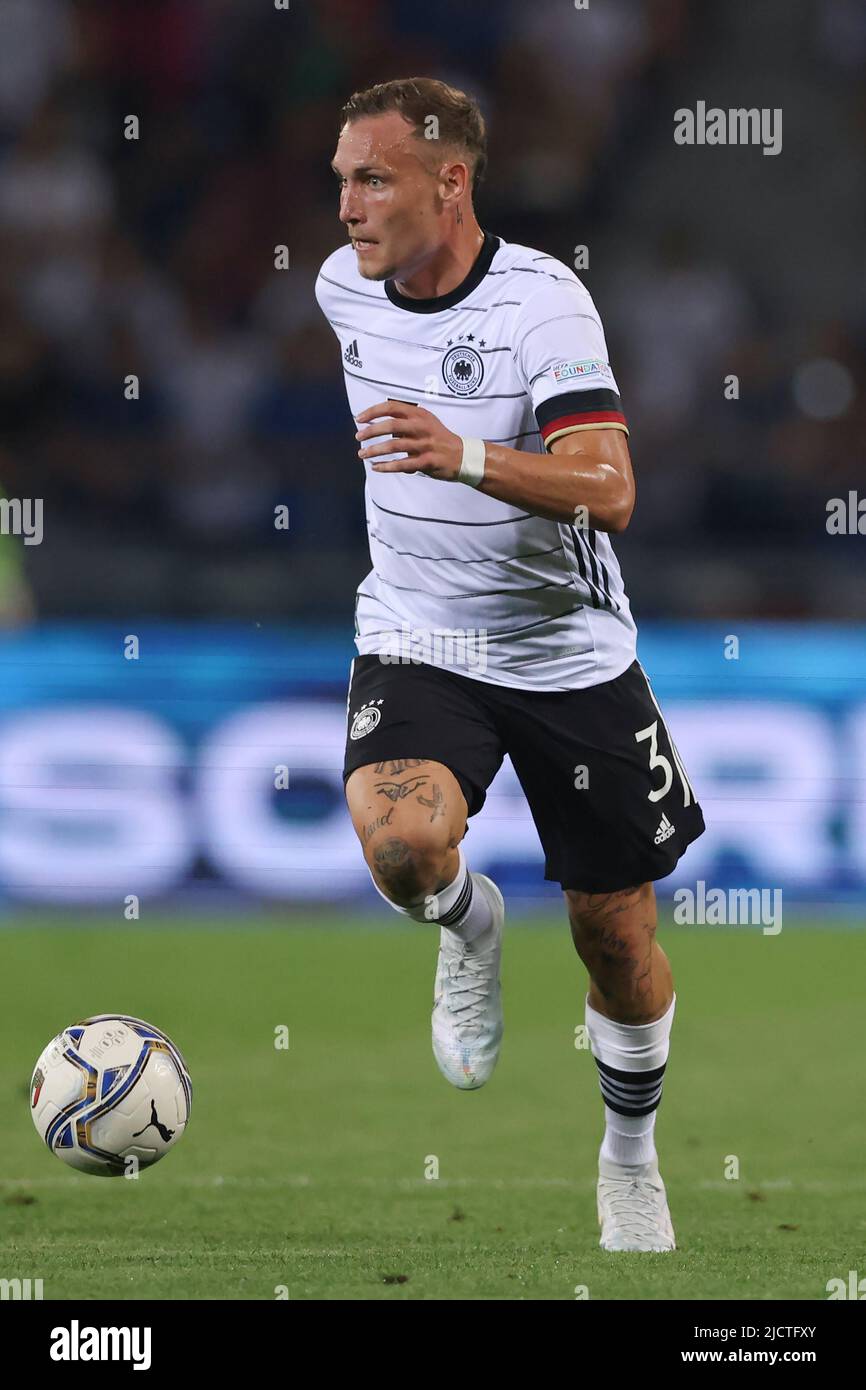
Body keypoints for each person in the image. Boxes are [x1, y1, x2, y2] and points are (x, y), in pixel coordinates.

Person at [315, 76, 705, 1252]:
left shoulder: (544, 305)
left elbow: (611, 487)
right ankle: (466, 924)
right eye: (339, 179)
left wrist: (468, 456)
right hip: (417, 634)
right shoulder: (343, 289)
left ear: (451, 181)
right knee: (398, 841)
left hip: (564, 651)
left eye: (371, 178)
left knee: (615, 938)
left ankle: (628, 1158)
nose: (345, 207)